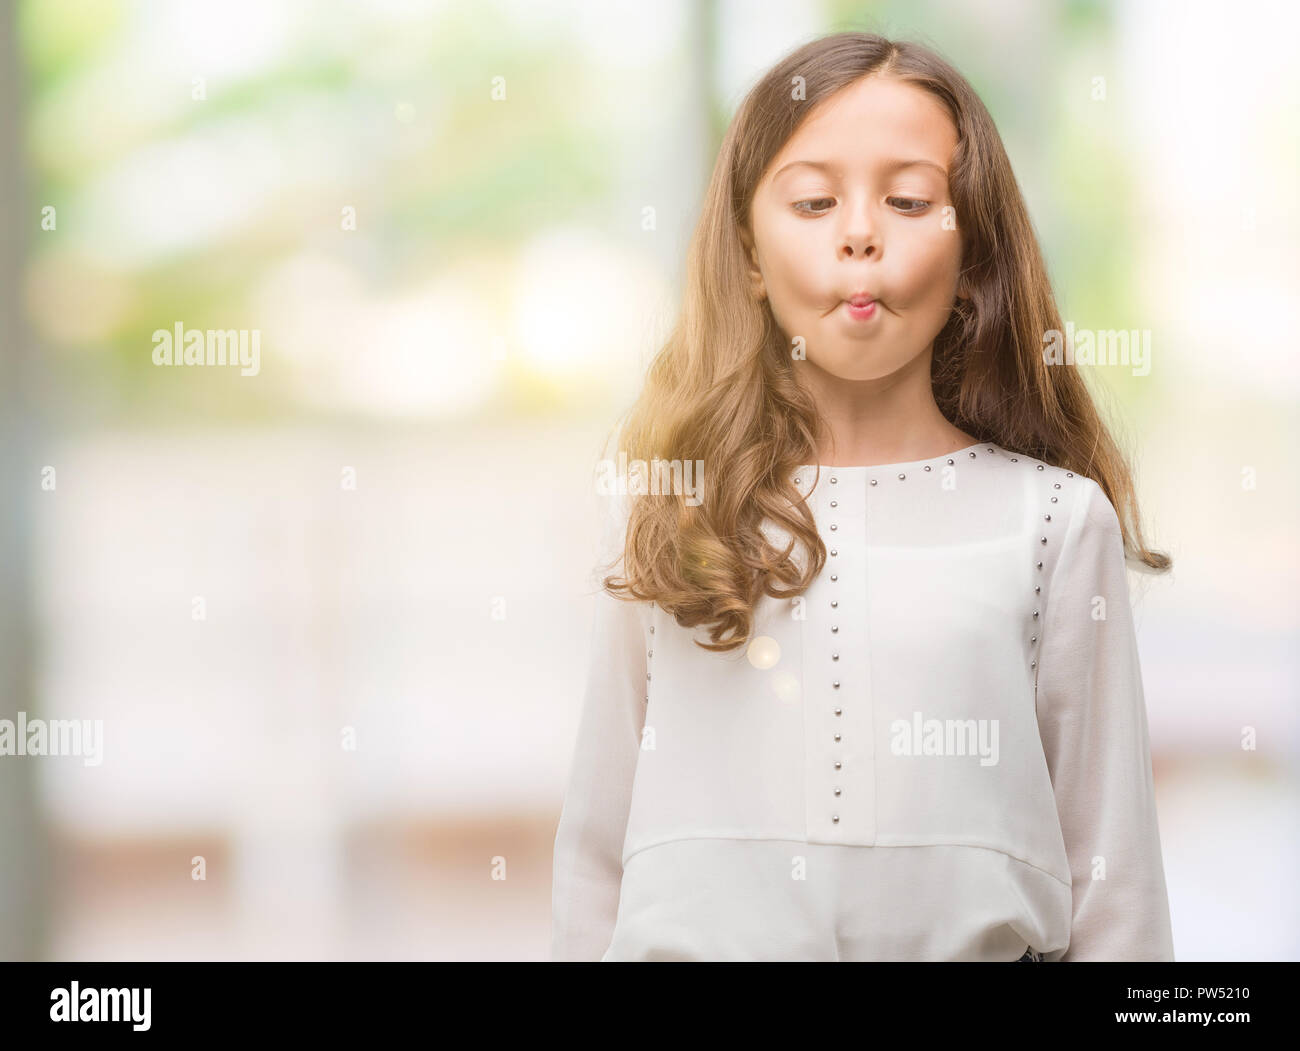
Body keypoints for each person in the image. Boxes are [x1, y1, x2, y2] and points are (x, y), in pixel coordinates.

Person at [550, 31, 1175, 962]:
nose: (859, 230)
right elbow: (595, 862)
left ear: (975, 261)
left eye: (910, 199)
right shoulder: (664, 515)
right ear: (749, 257)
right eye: (812, 199)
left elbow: (1114, 886)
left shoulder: (1052, 522)